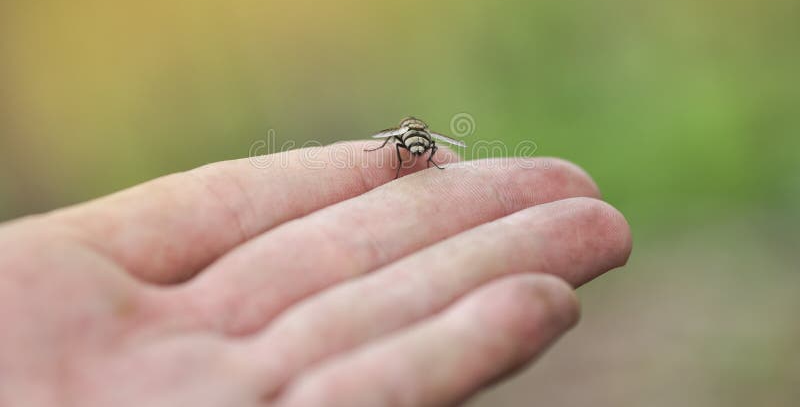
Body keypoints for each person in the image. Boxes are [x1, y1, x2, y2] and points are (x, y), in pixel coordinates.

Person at [0, 141, 630, 406]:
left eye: (415, 142)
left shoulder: (417, 147)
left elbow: (416, 148)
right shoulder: (398, 147)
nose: (411, 143)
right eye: (409, 141)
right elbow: (396, 148)